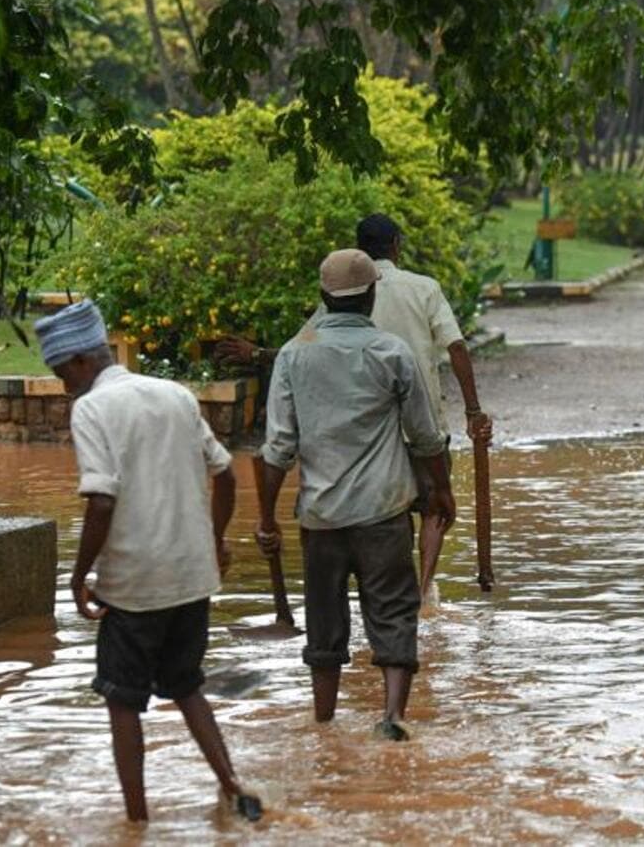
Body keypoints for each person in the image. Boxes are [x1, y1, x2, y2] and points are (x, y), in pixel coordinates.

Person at [36, 300, 262, 824]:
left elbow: (102, 501)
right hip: (192, 577)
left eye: (61, 374)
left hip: (134, 584)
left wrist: (78, 575)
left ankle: (136, 822)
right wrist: (215, 541)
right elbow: (226, 476)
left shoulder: (91, 409)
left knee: (122, 701)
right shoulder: (174, 394)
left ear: (79, 362)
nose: (63, 386)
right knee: (187, 687)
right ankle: (234, 788)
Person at [218, 214, 491, 591]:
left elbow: (301, 346)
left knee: (388, 510)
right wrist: (473, 410)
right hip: (424, 420)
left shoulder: (340, 296)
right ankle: (424, 590)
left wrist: (256, 354)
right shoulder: (424, 288)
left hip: (370, 426)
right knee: (433, 508)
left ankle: (392, 588)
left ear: (359, 249)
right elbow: (456, 346)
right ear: (397, 245)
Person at [256, 248, 455, 742]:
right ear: (370, 297)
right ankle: (392, 715)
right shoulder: (392, 352)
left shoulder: (294, 354)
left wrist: (266, 517)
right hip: (383, 512)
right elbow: (425, 436)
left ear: (323, 296)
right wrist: (442, 490)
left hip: (320, 516)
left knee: (324, 625)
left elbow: (277, 448)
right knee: (394, 614)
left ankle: (323, 725)